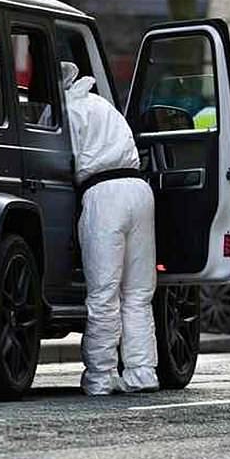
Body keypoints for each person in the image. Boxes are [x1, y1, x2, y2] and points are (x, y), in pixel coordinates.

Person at [61, 60, 160, 395]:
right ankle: (142, 373)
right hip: (139, 190)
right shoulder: (102, 105)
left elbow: (64, 160)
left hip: (103, 194)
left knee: (104, 293)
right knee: (138, 293)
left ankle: (101, 376)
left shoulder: (69, 112)